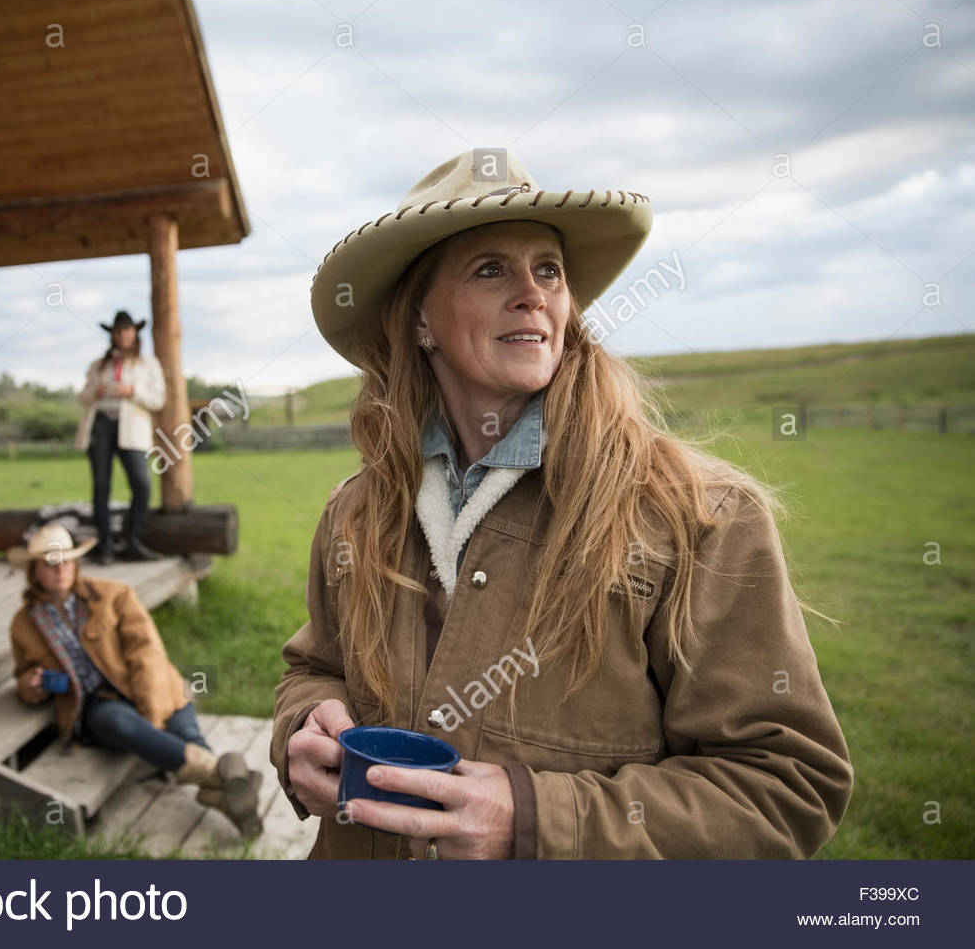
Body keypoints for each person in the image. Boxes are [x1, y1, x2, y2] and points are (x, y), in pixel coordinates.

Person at [271, 150, 854, 860]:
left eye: (548, 269)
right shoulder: (356, 511)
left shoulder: (697, 515)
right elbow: (314, 668)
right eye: (491, 269)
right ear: (420, 320)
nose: (533, 294)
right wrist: (302, 727)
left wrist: (534, 819)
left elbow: (785, 784)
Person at [6, 523, 262, 837]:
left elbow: (147, 654)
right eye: (50, 562)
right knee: (122, 724)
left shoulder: (114, 595)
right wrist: (31, 685)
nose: (60, 569)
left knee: (185, 732)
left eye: (66, 560)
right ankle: (233, 780)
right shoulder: (24, 623)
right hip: (99, 705)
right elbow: (23, 677)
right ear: (34, 571)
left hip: (155, 686)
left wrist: (152, 714)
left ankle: (228, 797)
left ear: (76, 564)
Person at [76, 310, 167, 563]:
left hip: (132, 428)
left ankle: (133, 540)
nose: (122, 335)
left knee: (141, 484)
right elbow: (82, 396)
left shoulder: (147, 365)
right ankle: (104, 544)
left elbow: (158, 399)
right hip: (102, 425)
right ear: (112, 335)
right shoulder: (99, 365)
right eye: (117, 331)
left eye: (126, 330)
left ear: (134, 333)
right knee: (101, 486)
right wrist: (96, 390)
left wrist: (132, 390)